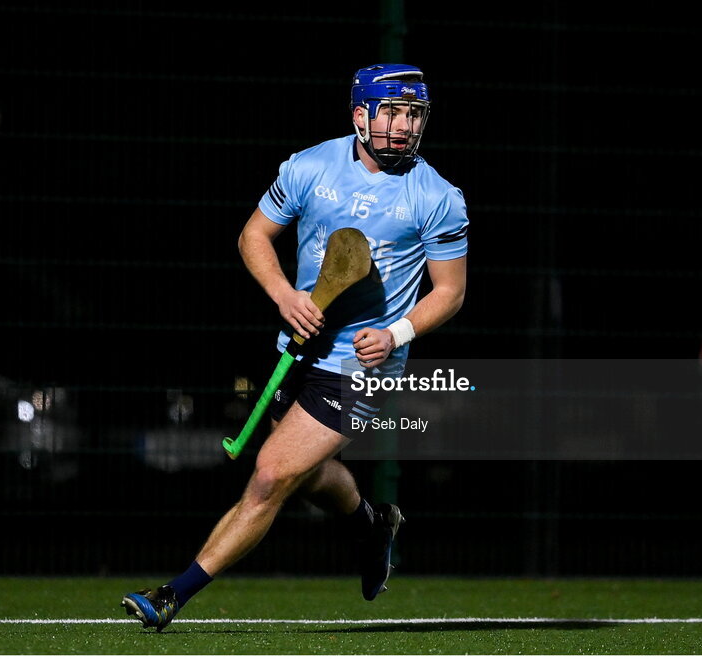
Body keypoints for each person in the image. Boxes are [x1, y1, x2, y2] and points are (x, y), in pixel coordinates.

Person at [121, 63, 469, 631]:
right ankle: (372, 523)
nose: (404, 126)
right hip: (299, 347)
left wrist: (396, 333)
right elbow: (252, 235)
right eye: (392, 112)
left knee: (270, 475)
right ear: (360, 116)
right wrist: (284, 295)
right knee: (310, 474)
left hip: (364, 366)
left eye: (414, 114)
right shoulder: (310, 166)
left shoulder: (439, 197)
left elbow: (450, 291)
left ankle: (171, 594)